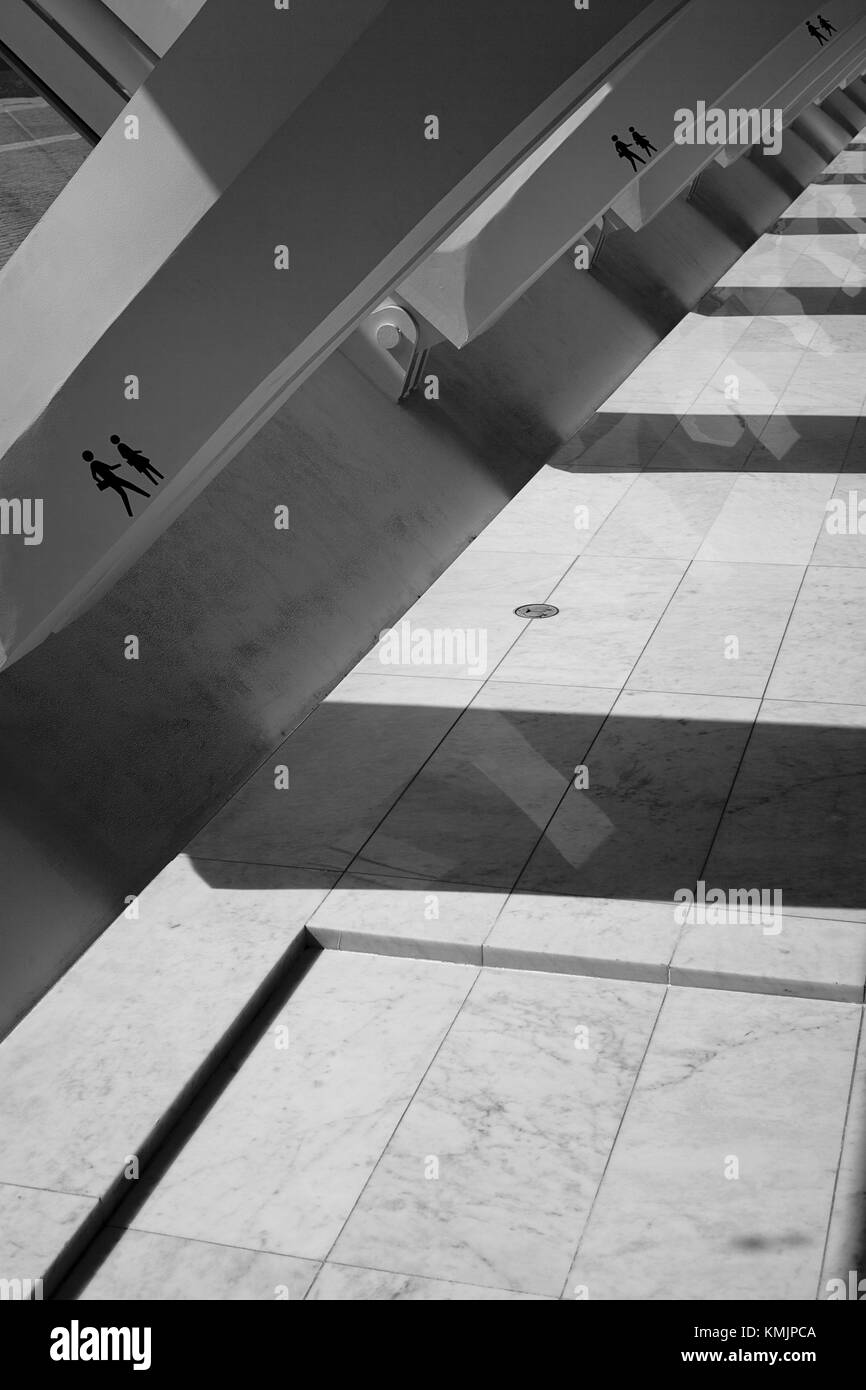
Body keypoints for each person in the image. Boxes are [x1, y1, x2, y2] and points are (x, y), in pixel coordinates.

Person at [83, 450, 150, 518]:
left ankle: (131, 513)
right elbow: (110, 468)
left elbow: (96, 476)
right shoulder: (95, 463)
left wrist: (102, 481)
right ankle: (146, 496)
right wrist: (117, 466)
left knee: (124, 494)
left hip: (111, 481)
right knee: (130, 487)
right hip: (113, 479)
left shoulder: (93, 464)